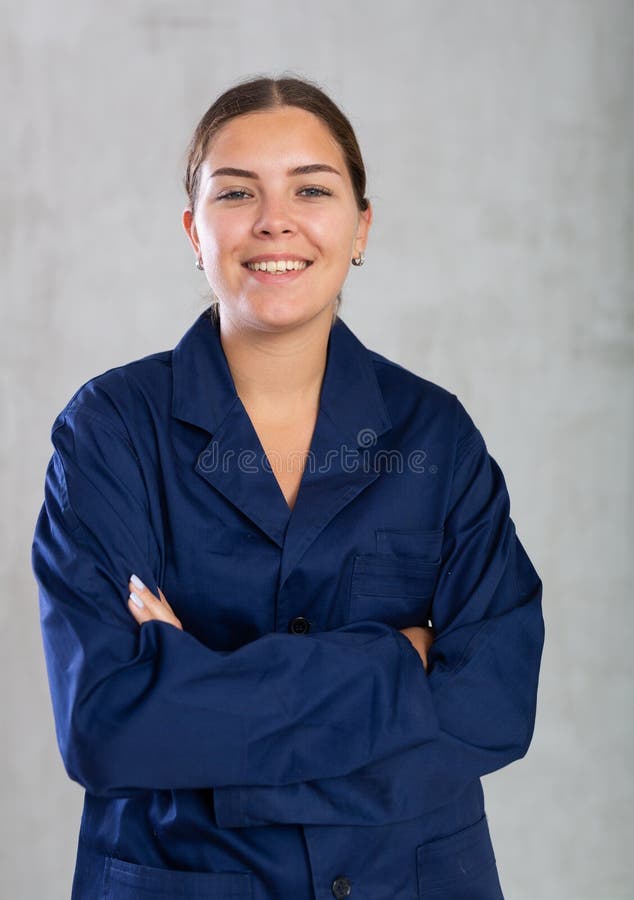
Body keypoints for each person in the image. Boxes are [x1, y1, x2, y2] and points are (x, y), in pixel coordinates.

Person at [32, 74, 545, 900]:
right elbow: (108, 726)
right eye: (237, 192)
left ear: (361, 225)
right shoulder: (111, 431)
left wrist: (196, 689)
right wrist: (401, 662)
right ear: (194, 230)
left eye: (311, 187)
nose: (276, 220)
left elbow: (493, 701)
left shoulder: (436, 436)